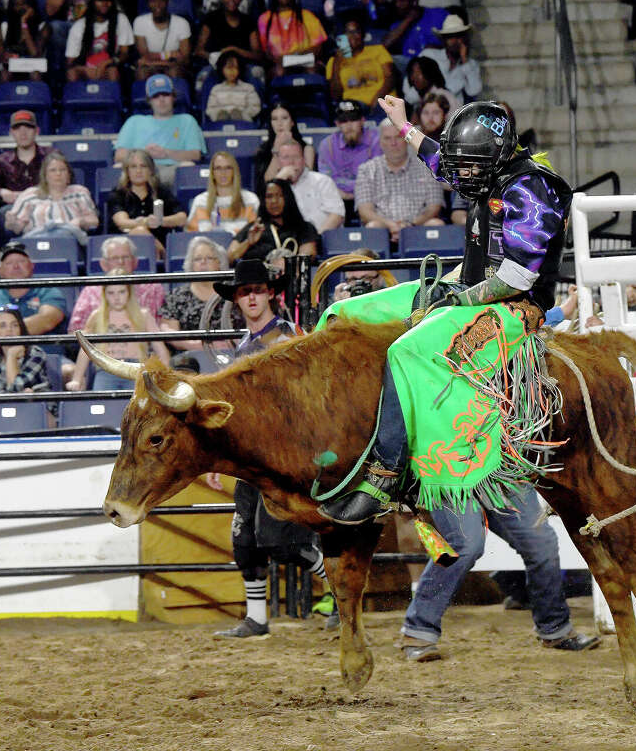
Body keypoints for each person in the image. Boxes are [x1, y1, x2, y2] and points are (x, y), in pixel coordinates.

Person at [318, 94, 573, 525]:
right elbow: (445, 160)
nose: (458, 175)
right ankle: (334, 438)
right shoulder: (482, 167)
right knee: (343, 314)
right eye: (460, 165)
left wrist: (458, 300)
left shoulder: (533, 190)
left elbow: (517, 278)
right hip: (464, 283)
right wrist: (404, 125)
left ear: (494, 159)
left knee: (406, 350)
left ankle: (386, 475)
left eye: (468, 166)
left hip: (513, 307)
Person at [208, 259, 335, 638]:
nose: (251, 298)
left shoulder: (288, 337)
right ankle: (257, 618)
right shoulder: (247, 345)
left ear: (269, 294)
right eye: (244, 292)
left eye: (257, 291)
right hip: (252, 460)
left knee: (281, 541)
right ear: (237, 298)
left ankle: (339, 590)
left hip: (284, 460)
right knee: (245, 540)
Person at [398, 481, 601, 660]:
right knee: (465, 545)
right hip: (446, 470)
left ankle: (555, 629)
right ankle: (418, 631)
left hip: (501, 468)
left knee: (540, 542)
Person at [68, 271, 169, 392]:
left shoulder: (143, 315)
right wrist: (77, 379)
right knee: (102, 400)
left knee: (137, 401)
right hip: (106, 368)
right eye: (111, 293)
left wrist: (165, 376)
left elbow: (160, 348)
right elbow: (85, 349)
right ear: (104, 294)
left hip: (135, 368)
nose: (116, 298)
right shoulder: (97, 316)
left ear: (129, 292)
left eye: (122, 292)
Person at [355, 118, 446, 241]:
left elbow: (434, 207)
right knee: (373, 226)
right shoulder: (367, 170)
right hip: (383, 230)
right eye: (387, 138)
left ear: (407, 140)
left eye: (398, 137)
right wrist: (390, 225)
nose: (393, 143)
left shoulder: (427, 167)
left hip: (418, 227)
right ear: (380, 142)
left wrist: (410, 225)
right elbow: (365, 211)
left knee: (436, 224)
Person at [113, 74, 207, 179]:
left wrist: (166, 153)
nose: (161, 99)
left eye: (165, 94)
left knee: (188, 166)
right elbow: (119, 156)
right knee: (118, 168)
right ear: (149, 100)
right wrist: (144, 154)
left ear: (173, 97)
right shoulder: (134, 121)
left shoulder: (187, 120)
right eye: (156, 96)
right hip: (140, 170)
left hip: (172, 170)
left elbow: (195, 155)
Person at [0, 303, 56, 420]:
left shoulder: (36, 353)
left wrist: (11, 356)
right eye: (2, 326)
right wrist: (12, 356)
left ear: (21, 329)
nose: (9, 330)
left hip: (38, 410)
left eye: (14, 325)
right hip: (3, 413)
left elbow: (17, 386)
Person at [0, 242, 68, 337]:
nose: (16, 266)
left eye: (21, 261)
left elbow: (47, 320)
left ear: (32, 265)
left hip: (43, 348)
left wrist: (2, 334)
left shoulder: (49, 292)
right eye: (9, 263)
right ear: (0, 270)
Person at [69, 236, 165, 330]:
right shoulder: (90, 291)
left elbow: (164, 325)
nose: (120, 262)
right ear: (103, 264)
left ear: (135, 262)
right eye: (114, 258)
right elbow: (75, 330)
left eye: (126, 257)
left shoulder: (154, 288)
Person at [4, 150, 99, 246]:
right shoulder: (29, 195)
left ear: (69, 174)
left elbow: (94, 221)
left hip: (69, 243)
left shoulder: (79, 192)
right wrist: (12, 223)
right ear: (45, 175)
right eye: (53, 170)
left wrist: (80, 221)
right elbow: (18, 228)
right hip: (36, 243)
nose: (58, 174)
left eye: (62, 170)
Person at [157, 235, 231, 351]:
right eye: (197, 259)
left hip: (232, 353)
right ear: (191, 264)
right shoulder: (176, 296)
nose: (203, 262)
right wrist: (195, 345)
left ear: (219, 263)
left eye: (209, 258)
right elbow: (169, 332)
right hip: (189, 355)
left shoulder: (232, 292)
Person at [107, 148, 186, 250]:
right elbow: (122, 222)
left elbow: (182, 218)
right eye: (133, 167)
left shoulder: (161, 191)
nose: (138, 171)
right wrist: (145, 223)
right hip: (125, 247)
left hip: (160, 244)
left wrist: (160, 221)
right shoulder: (118, 193)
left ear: (150, 170)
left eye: (143, 166)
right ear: (127, 171)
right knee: (140, 232)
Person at [317, 99, 382, 219]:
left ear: (362, 120)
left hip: (373, 197)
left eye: (353, 119)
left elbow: (378, 178)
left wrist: (353, 193)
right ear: (337, 124)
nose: (349, 125)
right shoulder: (327, 145)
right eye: (344, 121)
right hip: (339, 198)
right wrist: (346, 194)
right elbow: (326, 180)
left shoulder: (376, 141)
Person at [229, 177, 319, 262]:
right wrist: (248, 242)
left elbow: (307, 257)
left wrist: (283, 264)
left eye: (279, 195)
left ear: (288, 198)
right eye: (269, 196)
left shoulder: (304, 228)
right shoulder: (254, 229)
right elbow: (230, 258)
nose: (274, 201)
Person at [192, 0, 263, 87]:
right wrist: (216, 57)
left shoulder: (248, 21)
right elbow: (198, 50)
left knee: (255, 76)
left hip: (243, 65)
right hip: (215, 65)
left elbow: (257, 55)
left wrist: (235, 50)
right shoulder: (211, 18)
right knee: (205, 77)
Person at [257, 0, 327, 78]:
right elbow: (265, 52)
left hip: (306, 60)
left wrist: (292, 58)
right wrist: (281, 60)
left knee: (312, 70)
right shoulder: (265, 19)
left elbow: (317, 49)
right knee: (279, 71)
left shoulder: (307, 15)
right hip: (278, 64)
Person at [65, 0, 133, 83]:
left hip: (109, 68)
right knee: (71, 73)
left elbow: (124, 53)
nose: (105, 3)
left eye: (108, 0)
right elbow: (70, 61)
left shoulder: (121, 19)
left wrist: (107, 63)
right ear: (92, 2)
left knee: (113, 72)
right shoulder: (79, 25)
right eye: (100, 0)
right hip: (86, 69)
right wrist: (88, 70)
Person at [0, 110, 49, 209]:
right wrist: (2, 192)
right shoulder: (2, 161)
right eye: (17, 129)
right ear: (11, 132)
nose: (23, 133)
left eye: (28, 128)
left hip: (46, 205)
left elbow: (67, 181)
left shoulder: (51, 156)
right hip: (14, 208)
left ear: (37, 131)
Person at [274, 140, 344, 232]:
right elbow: (265, 217)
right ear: (278, 161)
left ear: (304, 160)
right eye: (286, 157)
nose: (291, 162)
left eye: (296, 157)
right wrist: (278, 182)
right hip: (286, 238)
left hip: (321, 236)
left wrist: (317, 237)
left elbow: (337, 215)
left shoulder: (322, 181)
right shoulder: (275, 187)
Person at [326, 13, 394, 107]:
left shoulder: (378, 50)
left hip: (382, 102)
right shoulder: (333, 62)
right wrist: (336, 63)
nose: (352, 36)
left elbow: (390, 79)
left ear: (362, 35)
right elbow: (335, 95)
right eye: (348, 32)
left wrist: (377, 100)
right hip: (353, 107)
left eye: (356, 31)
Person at [187, 151, 260, 233]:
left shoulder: (250, 199)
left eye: (228, 168)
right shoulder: (200, 201)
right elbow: (192, 234)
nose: (223, 172)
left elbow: (255, 232)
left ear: (234, 171)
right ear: (212, 173)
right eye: (218, 168)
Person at [417, 13, 482, 105]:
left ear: (464, 39)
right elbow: (411, 91)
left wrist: (464, 60)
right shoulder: (429, 55)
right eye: (450, 37)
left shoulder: (471, 64)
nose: (455, 41)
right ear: (443, 40)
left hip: (454, 111)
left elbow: (474, 91)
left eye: (458, 36)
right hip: (428, 107)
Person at [133, 0, 192, 81]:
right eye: (153, 0)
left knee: (174, 72)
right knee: (142, 72)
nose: (157, 4)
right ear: (148, 2)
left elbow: (184, 58)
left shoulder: (182, 23)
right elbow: (145, 55)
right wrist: (170, 55)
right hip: (154, 66)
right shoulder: (140, 22)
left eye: (161, 0)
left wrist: (156, 59)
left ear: (167, 1)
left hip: (173, 67)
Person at [381, 0, 446, 65]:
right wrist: (408, 20)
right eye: (395, 0)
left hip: (438, 63)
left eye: (401, 0)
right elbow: (384, 45)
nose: (397, 5)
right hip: (409, 65)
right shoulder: (398, 25)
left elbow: (454, 41)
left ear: (414, 1)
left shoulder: (438, 14)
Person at [255, 102, 317, 185]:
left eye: (284, 118)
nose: (279, 123)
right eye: (274, 119)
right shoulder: (263, 150)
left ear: (292, 122)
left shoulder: (306, 149)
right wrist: (276, 151)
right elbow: (268, 182)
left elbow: (307, 180)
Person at [0, 0, 51, 83]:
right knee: (4, 75)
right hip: (12, 66)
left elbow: (35, 54)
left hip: (34, 66)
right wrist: (5, 56)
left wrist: (24, 24)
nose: (20, 8)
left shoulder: (43, 26)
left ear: (31, 6)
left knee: (35, 75)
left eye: (24, 4)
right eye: (17, 5)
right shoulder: (4, 26)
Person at [204, 50, 261, 124]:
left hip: (243, 123)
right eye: (228, 68)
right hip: (219, 123)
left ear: (240, 69)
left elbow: (255, 106)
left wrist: (243, 114)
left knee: (236, 115)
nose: (232, 71)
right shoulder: (216, 89)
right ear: (222, 69)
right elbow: (210, 109)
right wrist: (218, 114)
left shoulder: (248, 88)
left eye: (235, 68)